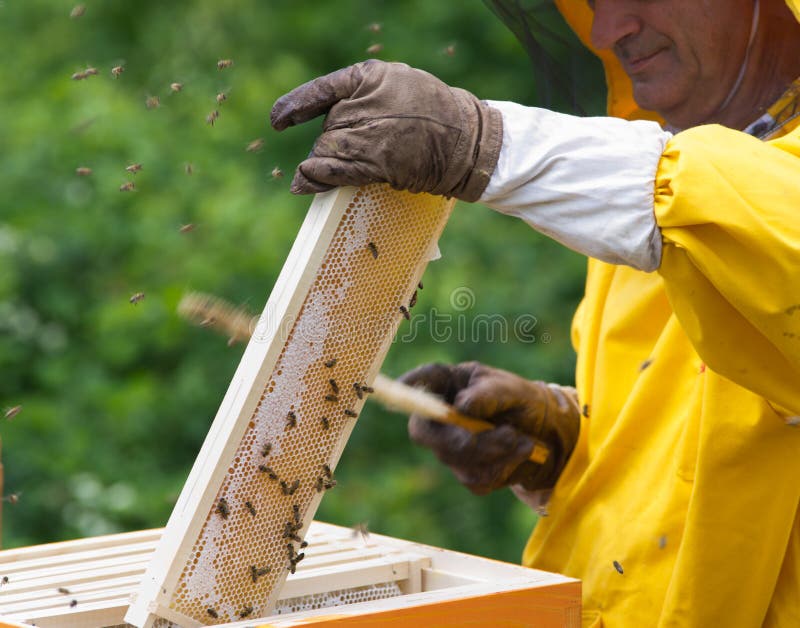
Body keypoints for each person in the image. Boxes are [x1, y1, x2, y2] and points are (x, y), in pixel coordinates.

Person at [271, 0, 800, 625]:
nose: (609, 31)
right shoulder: (657, 195)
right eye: (594, 2)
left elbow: (765, 226)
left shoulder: (677, 192)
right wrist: (561, 441)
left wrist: (484, 144)